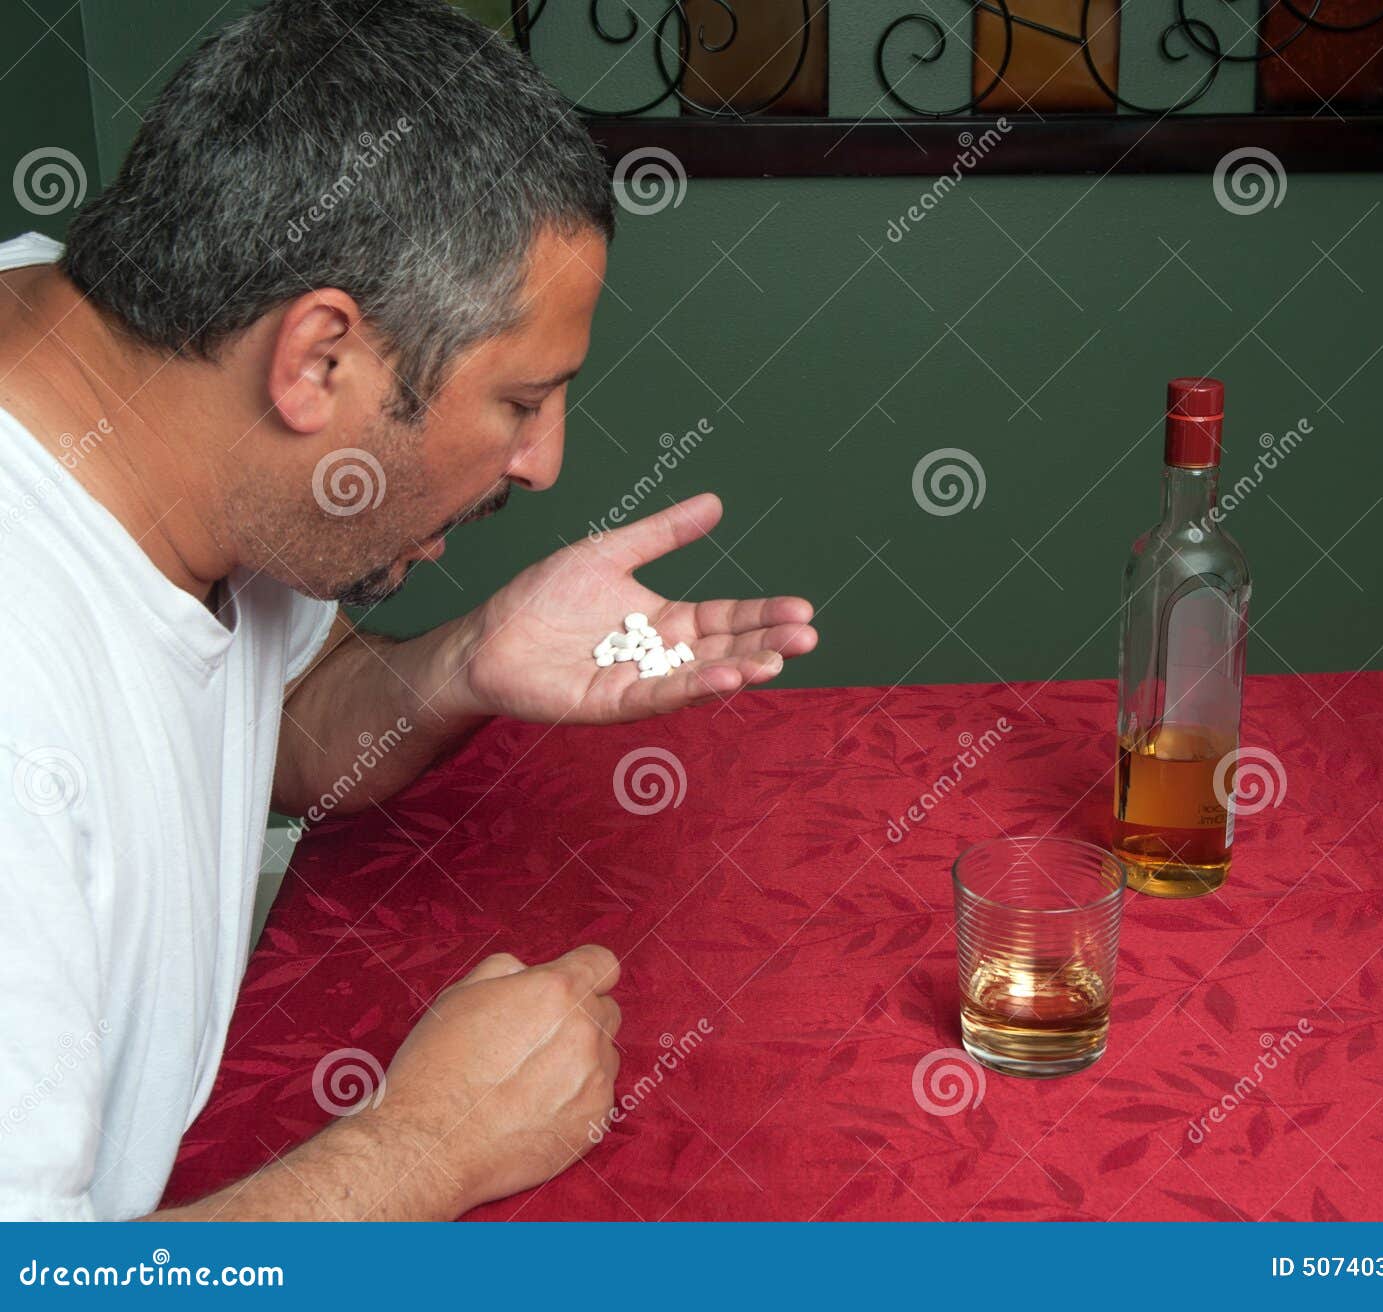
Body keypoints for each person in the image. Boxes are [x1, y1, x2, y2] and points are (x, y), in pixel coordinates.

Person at [0, 0, 816, 1221]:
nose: (542, 461)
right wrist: (422, 1151)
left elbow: (262, 711)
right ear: (318, 359)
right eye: (523, 400)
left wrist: (467, 663)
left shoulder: (89, 340)